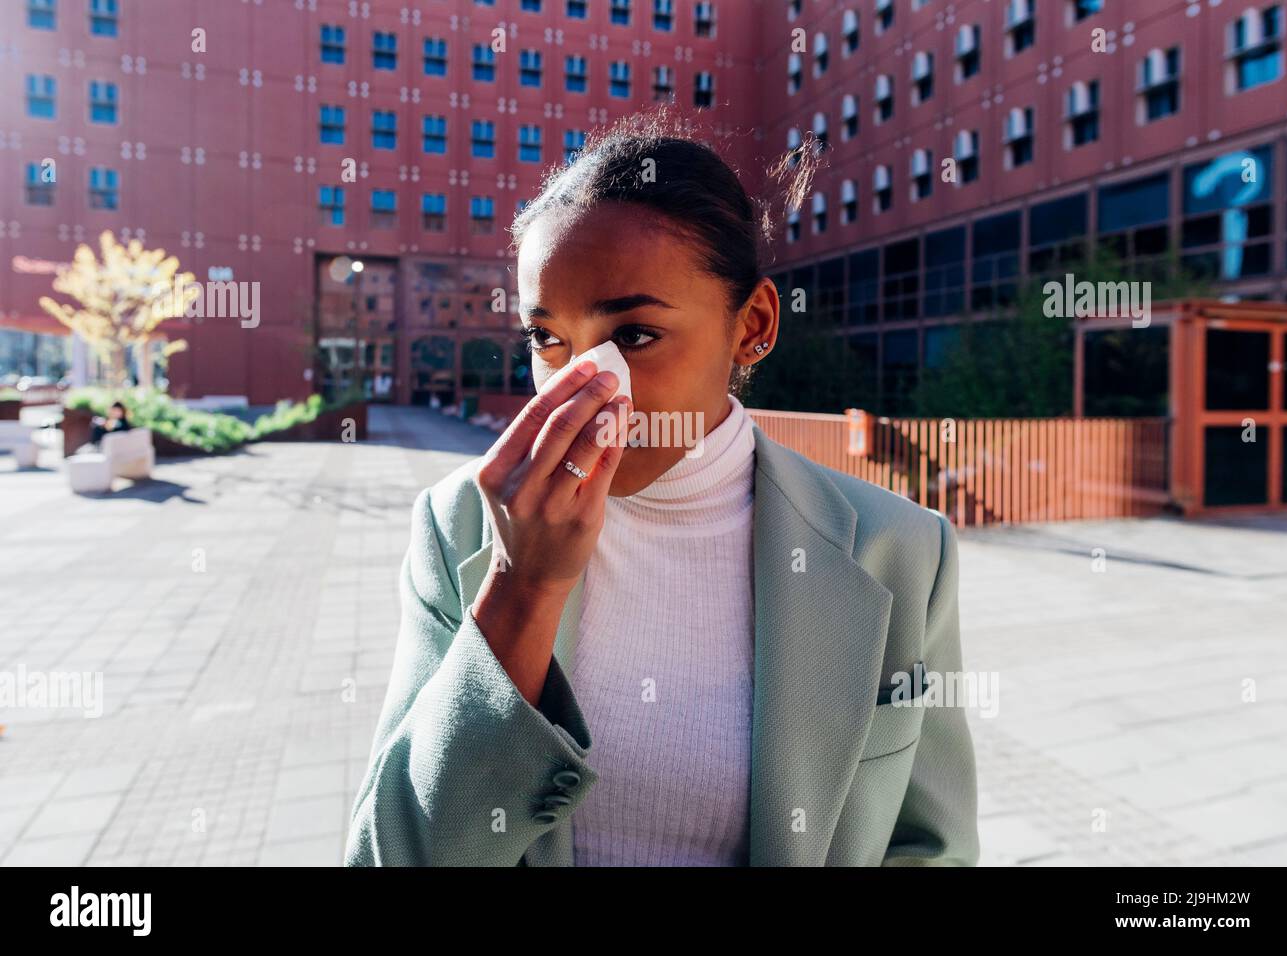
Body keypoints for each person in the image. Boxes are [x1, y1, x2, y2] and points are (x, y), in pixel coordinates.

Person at [345, 108, 979, 867]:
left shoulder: (899, 550)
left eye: (634, 337)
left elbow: (930, 847)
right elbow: (395, 854)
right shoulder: (459, 528)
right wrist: (522, 589)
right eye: (548, 338)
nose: (583, 383)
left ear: (753, 326)